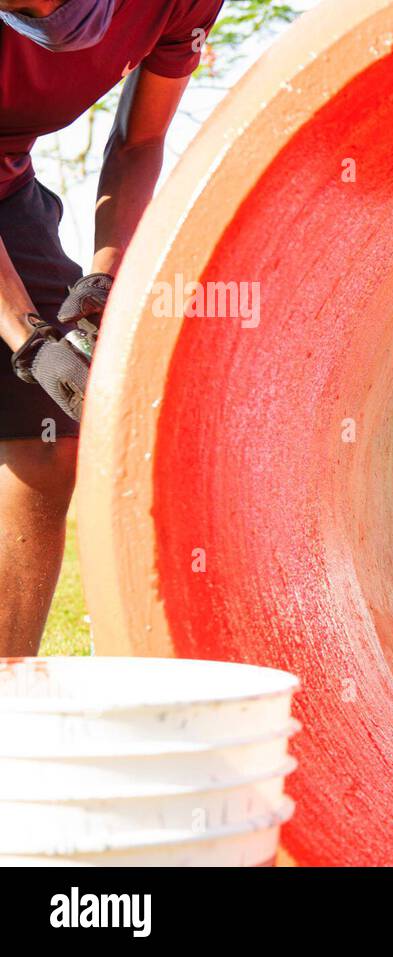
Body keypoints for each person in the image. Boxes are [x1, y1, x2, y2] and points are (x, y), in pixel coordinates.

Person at [0, 0, 224, 654]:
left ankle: (8, 692)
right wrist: (30, 337)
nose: (42, 15)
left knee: (51, 434)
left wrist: (102, 277)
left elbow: (139, 139)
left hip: (9, 191)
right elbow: (29, 340)